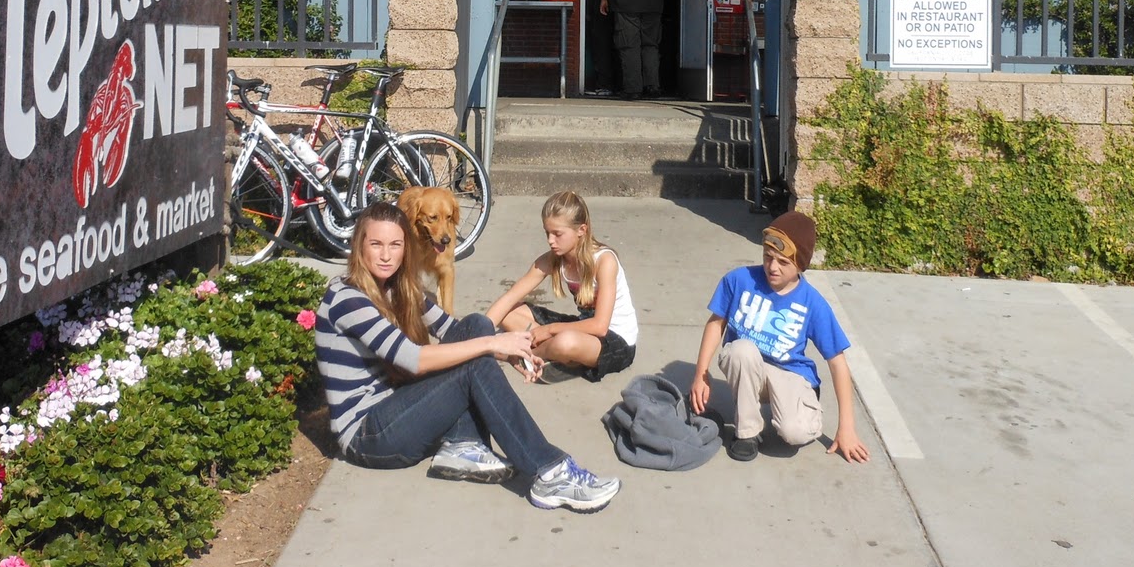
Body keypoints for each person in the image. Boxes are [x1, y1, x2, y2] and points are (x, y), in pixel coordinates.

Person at [314, 201, 622, 513]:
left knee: (476, 323)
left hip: (395, 408)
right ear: (358, 246)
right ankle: (550, 472)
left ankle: (464, 445)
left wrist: (510, 352)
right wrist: (492, 345)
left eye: (395, 245)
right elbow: (413, 359)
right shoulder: (348, 298)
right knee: (476, 355)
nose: (385, 255)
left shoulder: (397, 287)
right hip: (367, 436)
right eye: (375, 244)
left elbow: (456, 330)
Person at [688, 210, 869, 465]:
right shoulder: (739, 280)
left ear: (801, 264)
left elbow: (838, 363)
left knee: (795, 434)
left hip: (790, 373)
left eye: (783, 262)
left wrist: (846, 427)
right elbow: (716, 324)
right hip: (749, 367)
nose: (772, 267)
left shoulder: (813, 303)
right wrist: (701, 373)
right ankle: (747, 432)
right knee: (741, 350)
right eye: (768, 257)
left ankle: (797, 406)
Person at [486, 191, 638, 382]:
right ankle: (560, 358)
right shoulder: (554, 259)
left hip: (615, 341)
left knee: (566, 341)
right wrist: (479, 337)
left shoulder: (604, 261)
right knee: (508, 312)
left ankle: (519, 356)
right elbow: (510, 297)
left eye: (557, 234)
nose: (550, 240)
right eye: (547, 233)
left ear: (581, 230)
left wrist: (549, 330)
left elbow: (600, 327)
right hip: (582, 328)